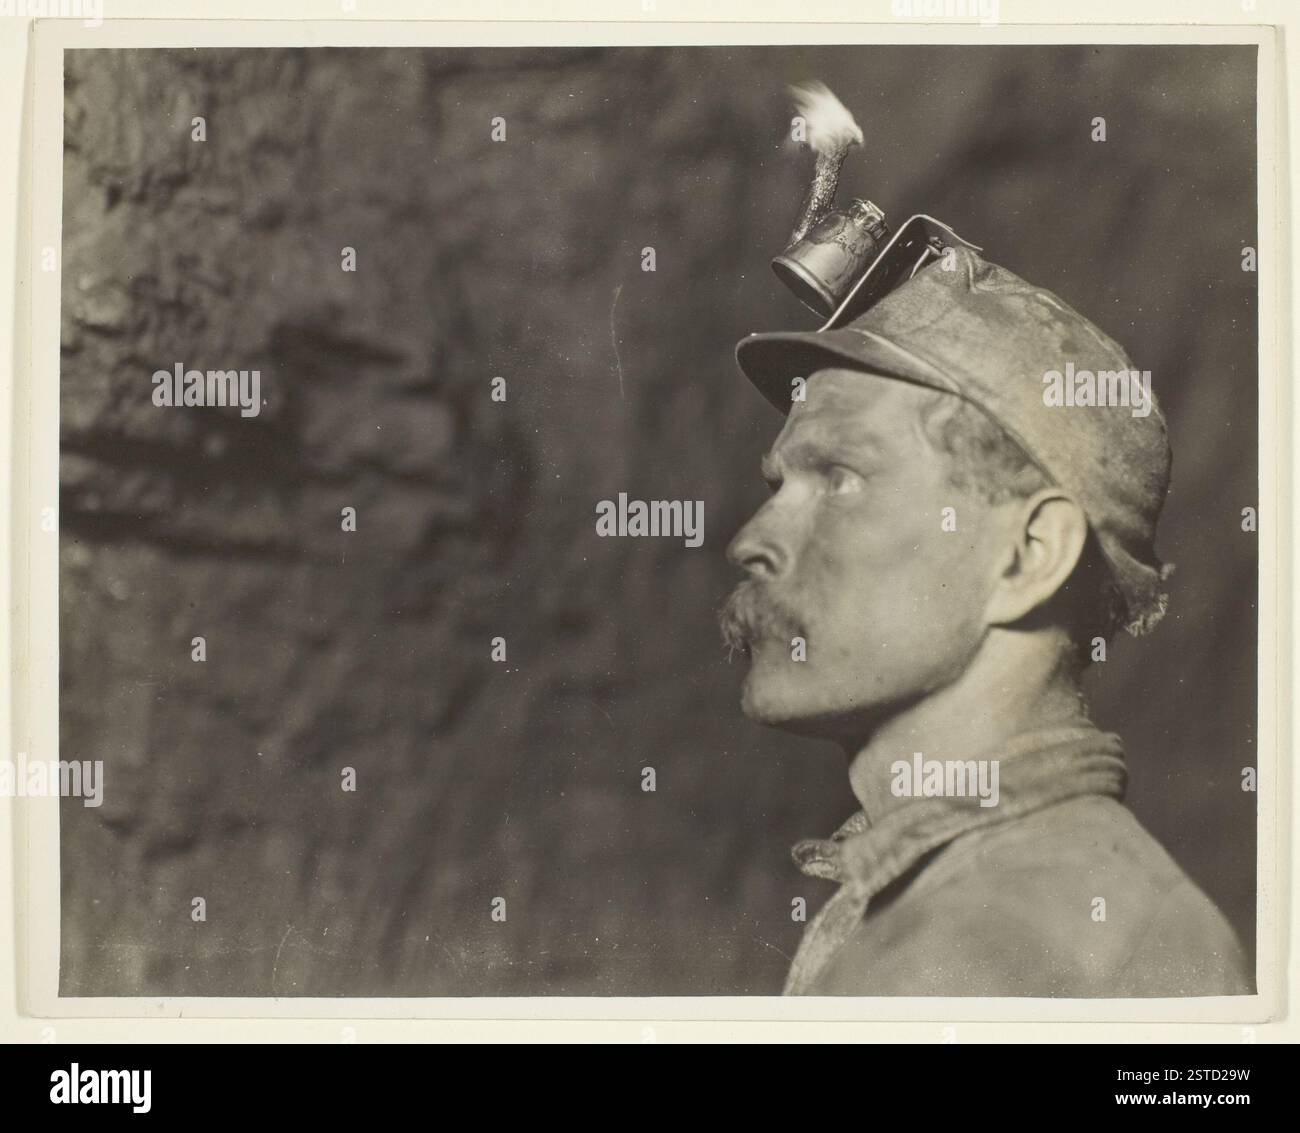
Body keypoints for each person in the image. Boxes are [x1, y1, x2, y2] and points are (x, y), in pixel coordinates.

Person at [721, 247, 1252, 996]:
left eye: (839, 478)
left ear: (1031, 554)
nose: (750, 540)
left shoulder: (1011, 946)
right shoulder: (931, 895)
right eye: (780, 485)